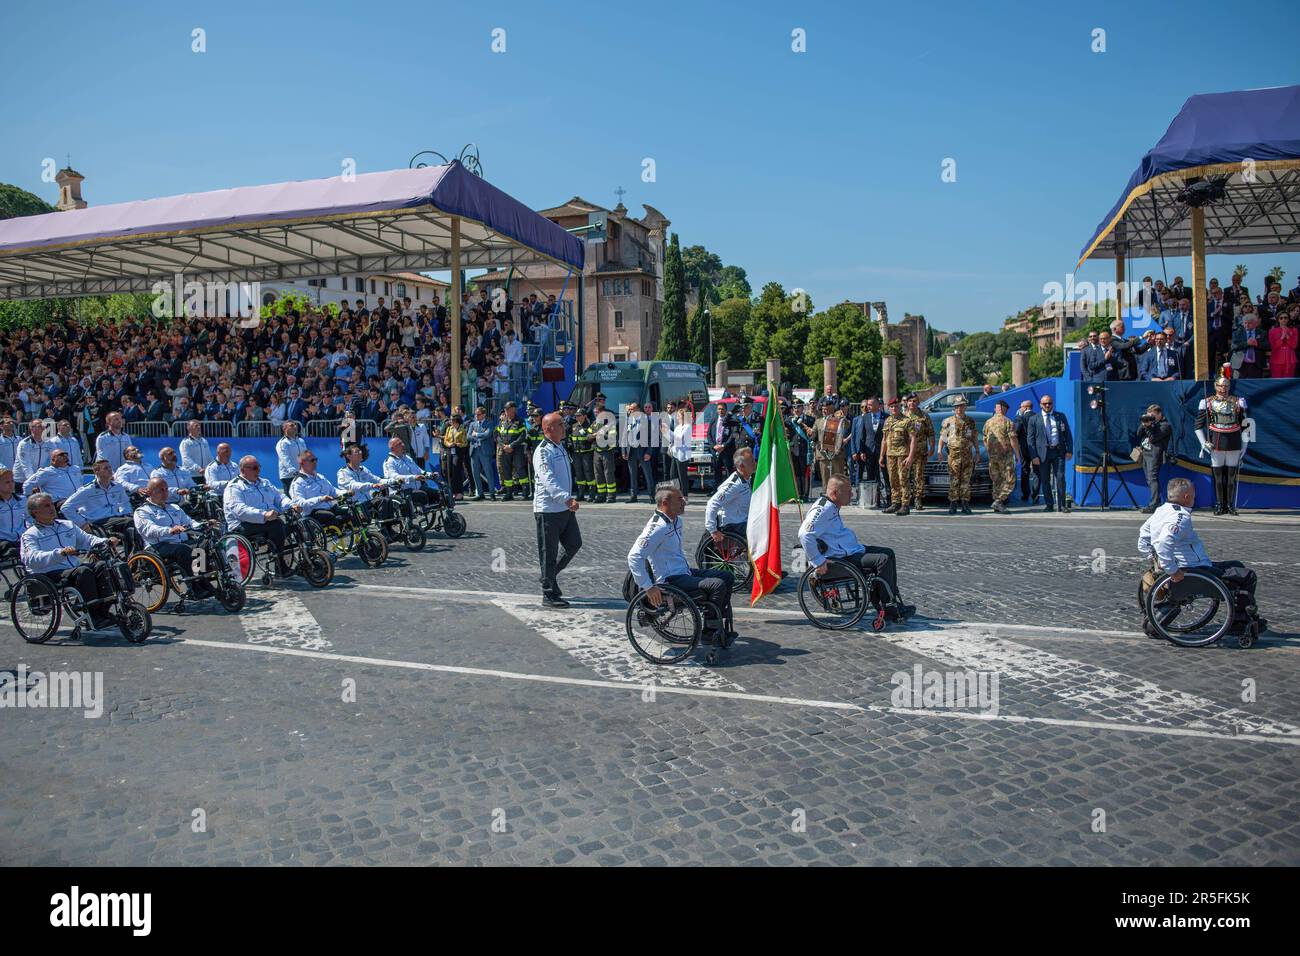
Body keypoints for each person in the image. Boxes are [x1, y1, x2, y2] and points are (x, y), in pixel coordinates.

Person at [1138, 477, 1264, 634]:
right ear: (1186, 497)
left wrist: (1152, 558)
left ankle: (1240, 615)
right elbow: (1164, 542)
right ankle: (1238, 621)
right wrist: (1172, 571)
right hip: (1193, 570)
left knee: (1237, 565)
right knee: (1248, 576)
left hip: (1192, 565)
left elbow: (1143, 536)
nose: (1194, 497)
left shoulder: (1161, 510)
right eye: (1193, 494)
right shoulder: (1180, 517)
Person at [626, 482, 737, 644]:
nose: (684, 502)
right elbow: (634, 556)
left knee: (727, 576)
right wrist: (648, 587)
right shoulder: (657, 527)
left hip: (682, 572)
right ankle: (709, 630)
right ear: (665, 503)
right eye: (679, 499)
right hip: (670, 579)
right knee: (717, 585)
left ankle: (719, 619)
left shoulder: (676, 521)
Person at [798, 475, 914, 621]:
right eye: (847, 491)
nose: (852, 494)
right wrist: (818, 561)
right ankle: (887, 607)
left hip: (848, 550)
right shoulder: (823, 510)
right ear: (834, 493)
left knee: (888, 553)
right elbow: (804, 534)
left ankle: (889, 600)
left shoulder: (831, 505)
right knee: (882, 560)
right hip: (840, 559)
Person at [20, 492, 118, 629]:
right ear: (35, 512)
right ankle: (93, 615)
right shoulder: (30, 535)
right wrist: (59, 553)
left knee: (102, 566)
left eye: (52, 504)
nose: (52, 508)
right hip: (49, 573)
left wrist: (105, 541)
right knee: (83, 571)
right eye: (46, 506)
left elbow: (87, 540)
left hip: (71, 568)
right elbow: (30, 559)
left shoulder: (67, 525)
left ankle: (103, 611)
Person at [533, 412, 582, 609]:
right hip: (548, 510)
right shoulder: (543, 451)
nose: (564, 427)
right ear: (548, 429)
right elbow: (547, 479)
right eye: (560, 425)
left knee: (574, 544)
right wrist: (567, 498)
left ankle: (549, 576)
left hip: (563, 509)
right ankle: (548, 593)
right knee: (548, 553)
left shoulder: (560, 446)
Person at [223, 455, 298, 574]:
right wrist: (264, 515)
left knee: (296, 523)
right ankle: (280, 566)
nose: (258, 470)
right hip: (242, 524)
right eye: (254, 468)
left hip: (266, 520)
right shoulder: (234, 487)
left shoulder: (264, 482)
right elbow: (239, 510)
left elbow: (280, 498)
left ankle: (307, 556)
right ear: (242, 470)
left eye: (258, 467)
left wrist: (291, 505)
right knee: (276, 525)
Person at [134, 477, 210, 594]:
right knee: (183, 550)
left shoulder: (174, 507)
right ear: (149, 492)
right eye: (160, 490)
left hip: (179, 542)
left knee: (203, 545)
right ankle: (193, 587)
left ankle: (203, 581)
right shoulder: (142, 511)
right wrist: (169, 530)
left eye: (166, 489)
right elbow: (148, 529)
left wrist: (203, 524)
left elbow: (189, 521)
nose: (165, 493)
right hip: (158, 545)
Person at [1195, 375, 1248, 516]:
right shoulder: (1206, 402)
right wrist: (1203, 443)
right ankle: (1219, 504)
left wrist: (1245, 446)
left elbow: (1246, 426)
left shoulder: (1239, 402)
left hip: (1234, 440)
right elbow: (1198, 426)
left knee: (1231, 476)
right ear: (1215, 386)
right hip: (1216, 441)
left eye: (1226, 386)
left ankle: (1230, 504)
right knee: (1218, 476)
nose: (1223, 388)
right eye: (1220, 385)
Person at [64, 458, 138, 553]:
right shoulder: (87, 490)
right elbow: (66, 508)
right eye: (105, 468)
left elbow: (125, 503)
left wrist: (126, 513)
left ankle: (134, 555)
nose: (110, 470)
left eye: (110, 467)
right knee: (130, 522)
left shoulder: (117, 487)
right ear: (96, 471)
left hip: (116, 518)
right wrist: (82, 523)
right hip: (98, 521)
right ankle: (132, 555)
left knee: (134, 522)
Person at [1025, 394, 1073, 513]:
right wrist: (1034, 456)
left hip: (1058, 452)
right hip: (1042, 454)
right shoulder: (1034, 419)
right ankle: (1049, 504)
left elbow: (1068, 434)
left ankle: (1062, 505)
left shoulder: (1060, 416)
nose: (1047, 405)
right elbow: (1030, 439)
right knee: (1045, 480)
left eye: (1050, 403)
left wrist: (1070, 450)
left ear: (1052, 404)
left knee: (1060, 478)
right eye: (1045, 403)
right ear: (1040, 405)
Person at [937, 396, 980, 515]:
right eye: (957, 406)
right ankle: (953, 503)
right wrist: (939, 451)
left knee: (966, 480)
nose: (959, 409)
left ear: (965, 407)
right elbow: (943, 437)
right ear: (954, 408)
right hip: (953, 455)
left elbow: (974, 437)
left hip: (967, 455)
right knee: (954, 480)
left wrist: (977, 452)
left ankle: (965, 503)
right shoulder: (948, 421)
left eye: (961, 406)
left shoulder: (970, 421)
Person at [704, 447, 754, 550]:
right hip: (733, 525)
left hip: (742, 520)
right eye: (751, 461)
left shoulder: (747, 478)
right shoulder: (734, 484)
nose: (755, 463)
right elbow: (712, 503)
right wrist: (713, 530)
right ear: (741, 466)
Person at [880, 397, 920, 516]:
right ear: (889, 408)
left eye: (896, 406)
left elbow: (913, 439)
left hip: (903, 454)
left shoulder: (907, 421)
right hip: (890, 455)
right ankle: (895, 502)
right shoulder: (887, 421)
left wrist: (911, 456)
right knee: (893, 480)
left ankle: (905, 505)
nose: (894, 409)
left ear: (900, 407)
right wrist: (881, 456)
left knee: (903, 479)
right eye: (891, 407)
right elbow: (884, 440)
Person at [982, 399, 1019, 514]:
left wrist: (990, 451)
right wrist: (1017, 454)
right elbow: (1013, 439)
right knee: (1010, 479)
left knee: (997, 480)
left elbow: (984, 439)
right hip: (1005, 456)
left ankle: (997, 503)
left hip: (992, 456)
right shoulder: (1008, 422)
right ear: (1003, 408)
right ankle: (999, 501)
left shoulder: (988, 422)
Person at [1135, 404, 1173, 514]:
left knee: (1152, 478)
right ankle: (1156, 501)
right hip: (1145, 454)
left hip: (1155, 455)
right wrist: (1144, 424)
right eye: (1149, 415)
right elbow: (1138, 433)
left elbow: (1153, 439)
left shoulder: (1165, 425)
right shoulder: (1150, 424)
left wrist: (1148, 426)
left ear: (1159, 414)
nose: (1151, 418)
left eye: (1153, 415)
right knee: (1149, 479)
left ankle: (1154, 504)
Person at [851, 398, 885, 507]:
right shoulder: (865, 418)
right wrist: (862, 451)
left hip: (882, 451)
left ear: (876, 405)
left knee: (885, 475)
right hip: (869, 451)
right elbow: (862, 436)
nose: (867, 407)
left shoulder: (886, 417)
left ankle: (889, 499)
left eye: (870, 405)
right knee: (871, 476)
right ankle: (873, 500)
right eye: (867, 405)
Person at [622, 401, 656, 503]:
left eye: (632, 409)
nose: (630, 411)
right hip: (631, 450)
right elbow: (623, 436)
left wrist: (649, 452)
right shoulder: (628, 420)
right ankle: (633, 496)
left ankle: (652, 496)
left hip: (643, 450)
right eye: (629, 409)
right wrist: (623, 450)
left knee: (647, 473)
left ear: (637, 409)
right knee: (632, 474)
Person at [812, 399, 848, 493]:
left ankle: (840, 495)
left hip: (837, 454)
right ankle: (826, 496)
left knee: (838, 477)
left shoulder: (838, 419)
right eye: (823, 409)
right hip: (823, 454)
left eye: (827, 409)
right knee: (825, 478)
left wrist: (842, 418)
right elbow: (813, 436)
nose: (824, 411)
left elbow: (847, 425)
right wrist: (810, 434)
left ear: (832, 409)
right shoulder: (818, 421)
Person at [493, 402, 527, 501]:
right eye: (505, 409)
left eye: (508, 409)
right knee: (506, 471)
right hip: (505, 450)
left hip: (516, 449)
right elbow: (496, 435)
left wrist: (511, 445)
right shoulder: (502, 422)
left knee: (520, 469)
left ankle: (525, 491)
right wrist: (503, 446)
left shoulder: (520, 421)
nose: (506, 411)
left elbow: (522, 436)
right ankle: (509, 493)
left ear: (514, 409)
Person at [907, 396, 935, 511]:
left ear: (918, 402)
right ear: (907, 403)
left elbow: (931, 433)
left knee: (918, 476)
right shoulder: (903, 416)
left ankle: (918, 499)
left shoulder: (924, 416)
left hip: (920, 452)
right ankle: (905, 499)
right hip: (905, 453)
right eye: (910, 401)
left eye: (914, 401)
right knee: (905, 476)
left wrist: (932, 447)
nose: (912, 403)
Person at [592, 394, 620, 503]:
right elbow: (588, 436)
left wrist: (600, 434)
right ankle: (601, 495)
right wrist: (595, 435)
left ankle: (611, 496)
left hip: (607, 452)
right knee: (598, 475)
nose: (595, 415)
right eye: (595, 413)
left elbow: (612, 437)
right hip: (597, 452)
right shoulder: (594, 423)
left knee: (609, 474)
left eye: (597, 413)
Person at [467, 405, 497, 501]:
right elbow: (468, 436)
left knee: (488, 472)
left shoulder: (489, 423)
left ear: (484, 414)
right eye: (475, 414)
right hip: (474, 451)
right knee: (475, 473)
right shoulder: (472, 424)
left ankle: (492, 493)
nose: (476, 416)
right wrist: (478, 436)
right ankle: (480, 493)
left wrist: (476, 434)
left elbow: (487, 434)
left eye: (478, 414)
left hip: (485, 451)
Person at [568, 407, 598, 503]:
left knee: (588, 472)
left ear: (585, 416)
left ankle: (591, 494)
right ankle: (580, 494)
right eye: (576, 416)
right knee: (579, 473)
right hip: (576, 453)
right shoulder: (574, 426)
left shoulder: (589, 426)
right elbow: (570, 438)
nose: (577, 417)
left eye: (579, 416)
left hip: (587, 453)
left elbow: (593, 439)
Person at [1013, 399, 1039, 504]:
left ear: (1026, 407)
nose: (1020, 408)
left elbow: (1016, 432)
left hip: (1024, 449)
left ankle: (1025, 495)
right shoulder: (1038, 417)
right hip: (1037, 449)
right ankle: (1035, 495)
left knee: (1025, 471)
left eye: (1021, 407)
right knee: (1037, 472)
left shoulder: (1020, 418)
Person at [13, 418, 52, 486]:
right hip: (22, 480)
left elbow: (50, 461)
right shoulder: (24, 444)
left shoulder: (49, 443)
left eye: (43, 425)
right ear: (31, 428)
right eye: (39, 425)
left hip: (39, 480)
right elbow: (26, 465)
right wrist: (32, 482)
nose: (43, 427)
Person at [0, 467, 27, 563]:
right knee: (7, 546)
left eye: (12, 481)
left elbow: (31, 519)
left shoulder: (23, 500)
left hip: (21, 538)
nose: (11, 485)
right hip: (3, 540)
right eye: (7, 482)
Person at [275, 421, 310, 495]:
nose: (295, 426)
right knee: (291, 500)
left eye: (295, 425)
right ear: (285, 429)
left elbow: (305, 455)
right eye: (291, 425)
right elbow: (285, 459)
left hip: (301, 474)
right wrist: (294, 472)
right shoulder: (282, 443)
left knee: (303, 497)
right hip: (288, 476)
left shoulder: (301, 441)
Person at [1268, 312, 1297, 379]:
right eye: (1281, 318)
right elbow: (1272, 346)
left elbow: (1294, 346)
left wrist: (1287, 337)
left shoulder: (1294, 330)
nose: (1283, 319)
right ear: (1278, 319)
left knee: (1288, 382)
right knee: (1276, 381)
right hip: (1276, 360)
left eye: (1285, 318)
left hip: (1290, 359)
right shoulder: (1272, 331)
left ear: (1288, 319)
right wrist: (1281, 338)